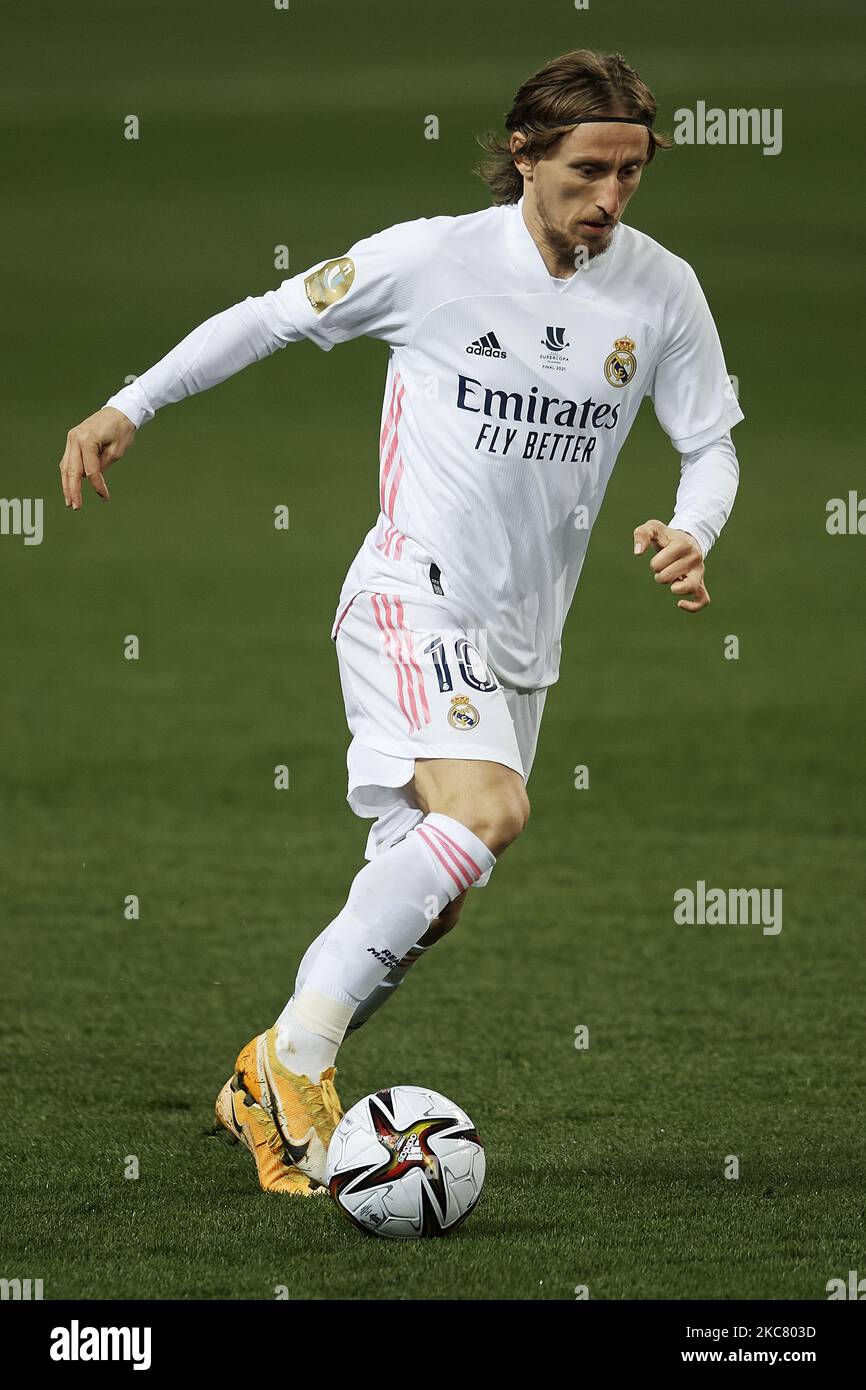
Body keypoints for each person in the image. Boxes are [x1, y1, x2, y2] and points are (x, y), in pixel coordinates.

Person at [58, 49, 743, 1196]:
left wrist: (694, 526)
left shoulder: (657, 288)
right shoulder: (433, 258)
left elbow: (708, 440)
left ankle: (255, 1072)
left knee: (434, 897)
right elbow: (273, 316)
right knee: (490, 808)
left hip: (525, 638)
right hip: (411, 593)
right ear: (522, 154)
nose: (610, 199)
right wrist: (133, 402)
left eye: (631, 172)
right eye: (587, 170)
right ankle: (295, 1068)